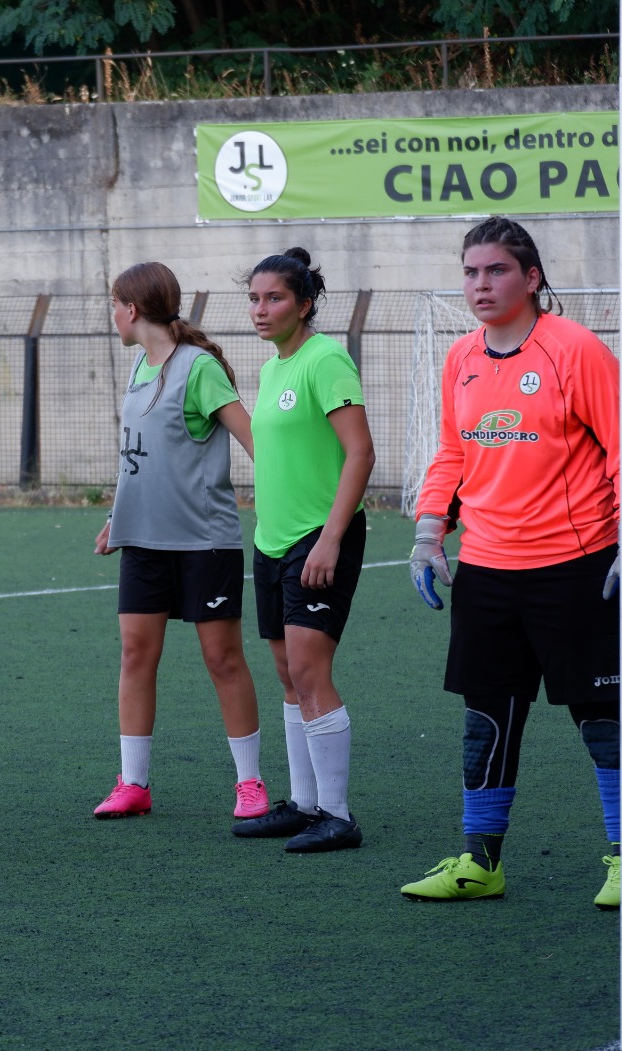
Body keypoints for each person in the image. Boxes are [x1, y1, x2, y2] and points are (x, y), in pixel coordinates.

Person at [401, 216, 621, 908]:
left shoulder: (574, 350)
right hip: (487, 571)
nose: (480, 284)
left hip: (577, 564)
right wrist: (429, 532)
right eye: (470, 272)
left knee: (603, 714)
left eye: (495, 270)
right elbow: (453, 453)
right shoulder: (461, 356)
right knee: (487, 716)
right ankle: (480, 862)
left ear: (530, 279)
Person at [91, 261, 267, 824]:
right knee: (136, 655)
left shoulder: (199, 368)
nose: (112, 314)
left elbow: (258, 442)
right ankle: (133, 784)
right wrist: (119, 515)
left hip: (204, 543)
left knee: (222, 659)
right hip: (143, 541)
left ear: (133, 308)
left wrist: (292, 507)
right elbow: (138, 456)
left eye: (114, 304)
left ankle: (250, 784)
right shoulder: (140, 366)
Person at [229, 247, 374, 853]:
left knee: (313, 672)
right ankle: (306, 803)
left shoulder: (325, 359)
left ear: (305, 303)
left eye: (275, 298)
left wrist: (331, 540)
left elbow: (361, 454)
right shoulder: (272, 368)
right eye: (255, 299)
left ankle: (337, 815)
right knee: (289, 675)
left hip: (319, 539)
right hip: (271, 541)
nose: (261, 310)